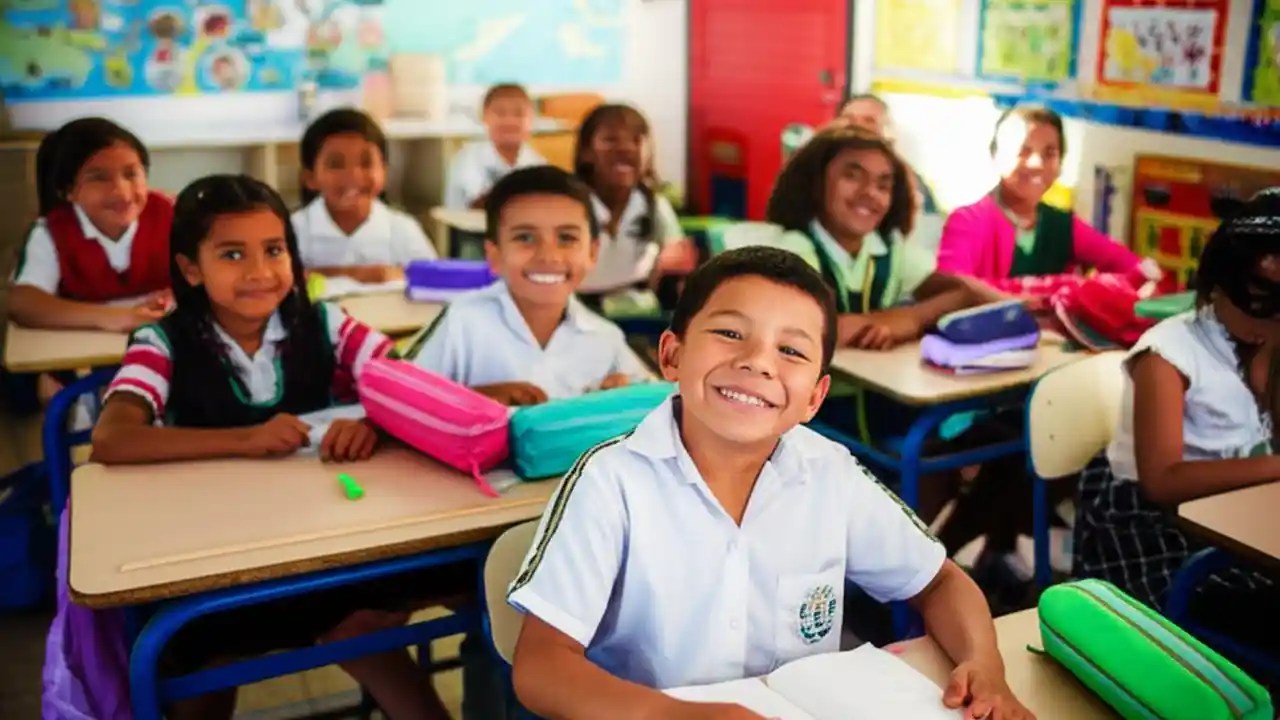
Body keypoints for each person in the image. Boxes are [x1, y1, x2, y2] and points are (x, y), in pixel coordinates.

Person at [507, 246, 1035, 720]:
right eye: (731, 333)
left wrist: (983, 663)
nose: (757, 361)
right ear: (671, 355)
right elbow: (541, 667)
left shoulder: (829, 472)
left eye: (792, 351)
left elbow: (939, 580)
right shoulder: (611, 482)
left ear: (814, 397)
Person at [91, 174, 459, 720]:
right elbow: (112, 437)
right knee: (201, 665)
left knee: (374, 624)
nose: (260, 272)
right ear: (191, 269)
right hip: (219, 561)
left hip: (325, 544)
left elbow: (408, 387)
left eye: (274, 250)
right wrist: (245, 439)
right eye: (233, 254)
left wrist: (374, 424)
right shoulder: (161, 342)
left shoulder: (325, 322)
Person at [1074, 189, 1280, 681]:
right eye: (1254, 307)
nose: (1264, 324)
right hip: (1152, 522)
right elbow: (1161, 482)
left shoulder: (1268, 341)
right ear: (1214, 288)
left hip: (1238, 510)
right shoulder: (1169, 352)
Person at [408, 165, 651, 405]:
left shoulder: (606, 339)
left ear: (593, 253)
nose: (548, 256)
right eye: (525, 238)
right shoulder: (463, 322)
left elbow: (658, 403)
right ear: (494, 255)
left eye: (566, 238)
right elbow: (410, 404)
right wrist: (478, 397)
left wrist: (627, 396)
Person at [937, 105, 1159, 298]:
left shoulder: (1063, 225)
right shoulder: (966, 222)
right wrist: (1063, 289)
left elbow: (1133, 268)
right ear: (995, 155)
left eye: (1049, 153)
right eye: (1023, 150)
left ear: (1060, 164)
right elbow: (952, 292)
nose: (1036, 164)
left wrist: (1144, 284)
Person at [9, 117, 172, 332]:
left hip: (162, 344)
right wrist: (118, 318)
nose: (122, 193)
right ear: (68, 191)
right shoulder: (51, 232)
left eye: (131, 173)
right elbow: (24, 304)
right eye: (99, 178)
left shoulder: (174, 213)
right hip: (81, 354)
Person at [291, 108, 436, 283]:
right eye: (336, 164)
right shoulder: (295, 231)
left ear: (384, 171)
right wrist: (360, 275)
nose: (353, 175)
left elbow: (432, 284)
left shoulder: (403, 231)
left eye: (366, 163)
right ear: (309, 177)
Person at [572, 103, 692, 303]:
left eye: (636, 141)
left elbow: (675, 260)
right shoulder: (569, 204)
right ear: (586, 152)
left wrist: (672, 266)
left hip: (638, 307)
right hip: (577, 305)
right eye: (610, 140)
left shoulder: (654, 204)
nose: (625, 148)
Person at [444, 82, 546, 210]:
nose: (510, 121)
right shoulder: (468, 158)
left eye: (518, 113)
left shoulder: (537, 163)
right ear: (484, 117)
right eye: (500, 113)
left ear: (531, 119)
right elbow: (480, 203)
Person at [834, 93, 938, 214]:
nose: (856, 126)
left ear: (886, 132)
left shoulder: (906, 181)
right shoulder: (819, 168)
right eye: (848, 119)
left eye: (868, 121)